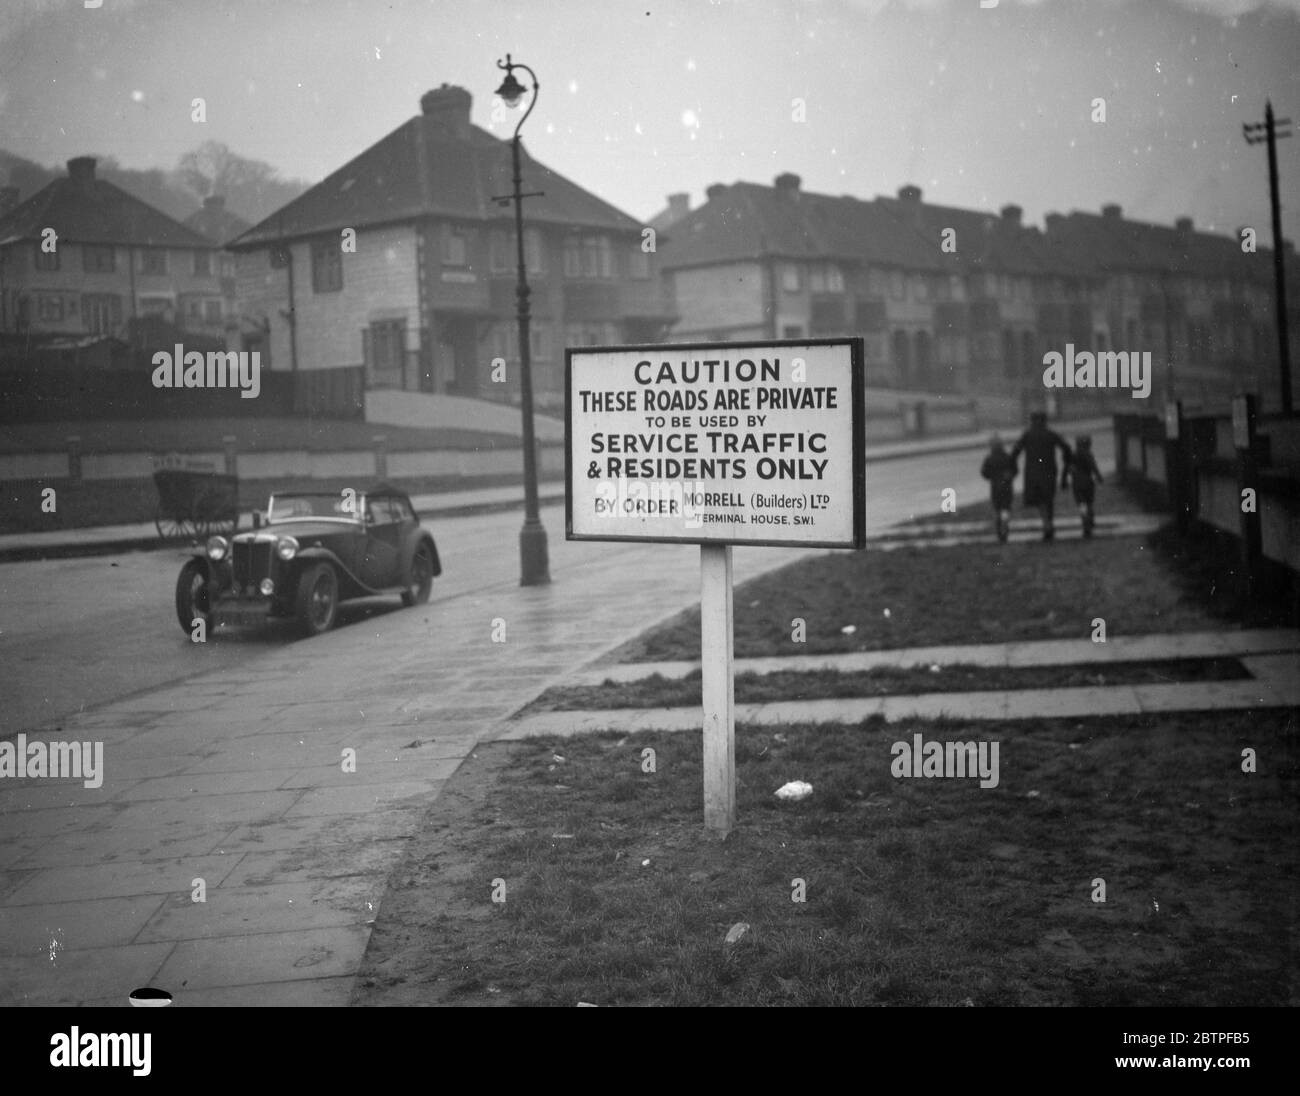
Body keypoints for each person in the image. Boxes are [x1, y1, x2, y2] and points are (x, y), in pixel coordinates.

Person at [1009, 411, 1073, 541]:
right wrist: (1067, 461)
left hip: (1033, 472)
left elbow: (1015, 451)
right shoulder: (1051, 434)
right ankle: (1048, 523)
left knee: (1039, 499)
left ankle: (1046, 523)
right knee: (1048, 498)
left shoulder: (1027, 435)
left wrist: (1012, 467)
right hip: (1049, 471)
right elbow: (1066, 447)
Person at [1064, 434, 1103, 538]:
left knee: (1081, 504)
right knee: (1089, 502)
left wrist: (1066, 479)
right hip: (1088, 482)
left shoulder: (1073, 455)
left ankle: (1085, 521)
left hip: (1077, 484)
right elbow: (1093, 466)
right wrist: (1099, 477)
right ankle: (1090, 519)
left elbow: (1069, 469)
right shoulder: (1088, 454)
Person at [979, 434, 1017, 542]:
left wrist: (992, 476)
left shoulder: (989, 459)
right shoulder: (1008, 457)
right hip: (1007, 487)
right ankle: (1005, 526)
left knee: (997, 508)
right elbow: (1015, 470)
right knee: (1006, 508)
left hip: (995, 487)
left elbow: (984, 473)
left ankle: (999, 529)